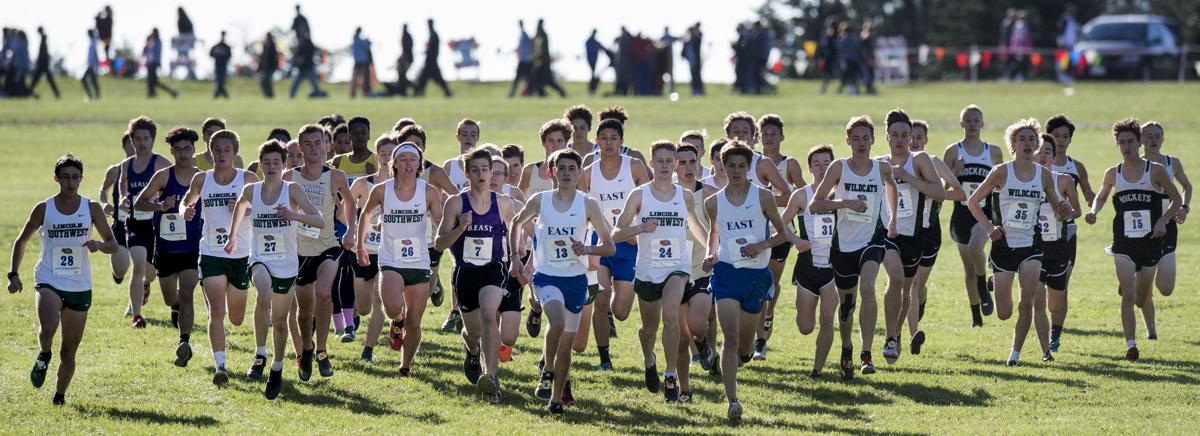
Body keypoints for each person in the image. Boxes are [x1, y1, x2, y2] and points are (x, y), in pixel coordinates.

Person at [8, 154, 119, 405]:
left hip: (79, 284)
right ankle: (44, 353)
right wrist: (13, 273)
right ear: (56, 179)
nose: (71, 183)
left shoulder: (91, 208)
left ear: (82, 178)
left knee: (69, 351)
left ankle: (59, 397)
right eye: (66, 177)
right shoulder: (43, 208)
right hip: (49, 277)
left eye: (75, 177)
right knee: (48, 326)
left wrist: (99, 245)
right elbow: (21, 241)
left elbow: (113, 244)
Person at [509, 149, 614, 414]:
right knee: (556, 322)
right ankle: (547, 368)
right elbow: (516, 224)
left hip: (576, 280)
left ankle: (555, 399)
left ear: (580, 173)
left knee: (567, 347)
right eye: (561, 168)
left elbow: (609, 246)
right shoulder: (540, 200)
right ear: (552, 172)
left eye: (572, 168)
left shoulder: (588, 204)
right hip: (546, 277)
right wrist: (515, 258)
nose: (567, 173)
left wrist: (587, 249)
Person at [225, 139, 324, 399]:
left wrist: (294, 215)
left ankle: (277, 366)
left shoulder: (292, 190)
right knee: (263, 292)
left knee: (280, 322)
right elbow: (240, 207)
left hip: (287, 264)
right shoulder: (251, 190)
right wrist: (232, 236)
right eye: (266, 162)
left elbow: (319, 220)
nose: (271, 167)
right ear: (260, 165)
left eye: (276, 162)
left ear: (284, 165)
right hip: (260, 258)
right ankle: (260, 354)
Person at [967, 119, 1071, 365]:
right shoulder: (1001, 172)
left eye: (1031, 139)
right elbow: (973, 202)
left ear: (1037, 145)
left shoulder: (1044, 175)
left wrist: (1064, 208)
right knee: (1004, 313)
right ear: (1013, 144)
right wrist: (989, 228)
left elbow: (1057, 208)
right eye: (1022, 139)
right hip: (1003, 246)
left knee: (1027, 302)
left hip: (1031, 247)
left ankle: (1014, 355)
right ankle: (995, 282)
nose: (1027, 143)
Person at [703, 141, 791, 423]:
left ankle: (747, 350)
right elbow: (714, 234)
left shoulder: (763, 196)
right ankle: (732, 401)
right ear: (722, 166)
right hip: (727, 273)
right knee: (729, 337)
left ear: (749, 167)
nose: (736, 170)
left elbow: (783, 233)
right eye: (731, 166)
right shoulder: (713, 202)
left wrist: (761, 245)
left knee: (743, 346)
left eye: (742, 166)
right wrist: (710, 255)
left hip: (756, 275)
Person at [611, 141, 705, 402]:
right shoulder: (639, 195)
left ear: (675, 164)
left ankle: (671, 374)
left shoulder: (684, 196)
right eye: (659, 161)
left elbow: (695, 226)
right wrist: (640, 228)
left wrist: (711, 249)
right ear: (651, 163)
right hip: (648, 270)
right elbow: (616, 233)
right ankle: (649, 360)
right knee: (649, 329)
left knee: (672, 316)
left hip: (677, 267)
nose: (664, 165)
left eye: (669, 161)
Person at [809, 116, 898, 379]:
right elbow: (816, 204)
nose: (861, 143)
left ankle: (866, 353)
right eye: (855, 138)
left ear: (873, 140)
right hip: (843, 244)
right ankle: (847, 347)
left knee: (868, 285)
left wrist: (893, 218)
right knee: (847, 306)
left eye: (865, 138)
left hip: (872, 239)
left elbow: (892, 187)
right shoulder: (839, 167)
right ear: (847, 141)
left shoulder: (882, 169)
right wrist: (846, 203)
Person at [1085, 119, 1181, 361]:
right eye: (1122, 142)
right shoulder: (1113, 173)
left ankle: (1138, 286)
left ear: (1139, 142)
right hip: (1123, 243)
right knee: (1128, 294)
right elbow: (1101, 197)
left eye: (1130, 141)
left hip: (1150, 243)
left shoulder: (1155, 170)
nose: (1126, 146)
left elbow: (1176, 199)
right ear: (1117, 145)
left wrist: (1163, 221)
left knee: (1139, 298)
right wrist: (1094, 212)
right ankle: (1131, 344)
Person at [434, 147, 517, 401]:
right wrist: (460, 228)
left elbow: (515, 230)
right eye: (475, 170)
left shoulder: (503, 203)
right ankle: (472, 350)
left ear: (492, 172)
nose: (481, 174)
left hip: (493, 269)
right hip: (465, 272)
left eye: (485, 169)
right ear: (467, 174)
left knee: (490, 315)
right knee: (473, 332)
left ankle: (491, 377)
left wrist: (517, 255)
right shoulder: (456, 203)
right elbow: (439, 243)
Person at [356, 143, 443, 377]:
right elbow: (365, 215)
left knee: (415, 321)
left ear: (419, 164)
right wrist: (360, 245)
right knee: (393, 305)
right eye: (403, 159)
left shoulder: (428, 191)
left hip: (419, 261)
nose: (408, 164)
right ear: (394, 163)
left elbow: (440, 222)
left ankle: (405, 366)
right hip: (390, 259)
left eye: (413, 159)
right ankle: (397, 319)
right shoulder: (382, 190)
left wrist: (450, 230)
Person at [180, 129, 258, 385]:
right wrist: (185, 211)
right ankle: (221, 367)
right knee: (216, 311)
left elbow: (262, 208)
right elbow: (186, 201)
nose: (222, 154)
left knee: (236, 318)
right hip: (211, 252)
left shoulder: (247, 179)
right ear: (210, 152)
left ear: (235, 153)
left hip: (241, 254)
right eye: (217, 149)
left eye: (227, 150)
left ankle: (227, 339)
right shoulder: (202, 179)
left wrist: (245, 211)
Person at [284, 124, 356, 380]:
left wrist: (351, 231)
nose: (314, 148)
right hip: (299, 250)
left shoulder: (335, 176)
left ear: (326, 146)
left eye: (318, 143)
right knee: (304, 313)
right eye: (308, 144)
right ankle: (307, 349)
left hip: (328, 245)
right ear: (300, 148)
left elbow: (350, 203)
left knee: (324, 293)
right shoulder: (289, 177)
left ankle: (322, 351)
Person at [580, 118, 652, 371]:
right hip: (599, 243)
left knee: (621, 312)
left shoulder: (634, 166)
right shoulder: (588, 170)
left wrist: (635, 229)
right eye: (604, 138)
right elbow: (581, 207)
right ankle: (604, 358)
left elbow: (649, 200)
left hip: (628, 244)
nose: (608, 143)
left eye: (613, 138)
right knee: (600, 300)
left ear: (621, 141)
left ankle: (612, 306)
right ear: (596, 141)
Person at [876, 109, 943, 364]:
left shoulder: (919, 160)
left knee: (906, 291)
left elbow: (939, 193)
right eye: (895, 134)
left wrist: (908, 178)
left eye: (905, 134)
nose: (900, 139)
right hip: (887, 234)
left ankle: (895, 333)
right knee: (894, 278)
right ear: (887, 136)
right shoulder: (879, 163)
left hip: (914, 237)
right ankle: (890, 338)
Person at [132, 126, 202, 367]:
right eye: (178, 149)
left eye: (187, 149)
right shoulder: (163, 176)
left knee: (188, 292)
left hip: (192, 246)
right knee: (171, 298)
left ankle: (184, 342)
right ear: (172, 151)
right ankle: (176, 307)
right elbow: (139, 203)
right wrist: (160, 206)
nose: (183, 153)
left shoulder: (202, 177)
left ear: (194, 150)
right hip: (165, 248)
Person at [902, 120, 966, 355]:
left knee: (918, 286)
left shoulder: (935, 163)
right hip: (904, 231)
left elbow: (960, 193)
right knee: (909, 284)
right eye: (911, 136)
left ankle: (921, 301)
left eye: (919, 137)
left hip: (930, 233)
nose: (914, 141)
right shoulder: (898, 164)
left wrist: (933, 193)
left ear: (926, 140)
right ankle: (912, 335)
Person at [752, 114, 806, 361]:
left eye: (774, 134)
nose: (769, 138)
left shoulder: (789, 164)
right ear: (758, 137)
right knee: (757, 283)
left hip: (782, 231)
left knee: (770, 283)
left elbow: (802, 194)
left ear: (782, 136)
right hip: (754, 230)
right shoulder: (751, 163)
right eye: (765, 134)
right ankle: (758, 341)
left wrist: (766, 201)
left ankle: (769, 313)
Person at [943, 105, 1003, 327]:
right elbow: (941, 188)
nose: (972, 124)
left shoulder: (993, 152)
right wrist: (955, 172)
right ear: (961, 124)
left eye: (976, 120)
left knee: (975, 248)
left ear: (982, 123)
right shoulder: (952, 151)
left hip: (983, 213)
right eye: (967, 120)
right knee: (969, 268)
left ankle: (982, 286)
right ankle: (976, 316)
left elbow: (1001, 183)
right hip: (960, 215)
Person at [780, 145, 836, 377]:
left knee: (828, 319)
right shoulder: (801, 195)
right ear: (810, 168)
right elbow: (781, 223)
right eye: (817, 164)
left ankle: (817, 369)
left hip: (834, 269)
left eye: (827, 164)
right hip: (807, 267)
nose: (822, 169)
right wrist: (795, 240)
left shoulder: (842, 194)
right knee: (805, 327)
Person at [671, 143, 719, 401]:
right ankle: (684, 388)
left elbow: (719, 230)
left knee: (697, 324)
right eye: (682, 163)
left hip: (702, 270)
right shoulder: (665, 195)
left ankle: (703, 345)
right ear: (674, 165)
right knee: (681, 337)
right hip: (674, 272)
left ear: (700, 163)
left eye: (692, 162)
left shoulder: (710, 195)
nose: (688, 167)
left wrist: (715, 253)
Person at [1044, 114, 1094, 351]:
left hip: (1066, 231)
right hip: (1038, 231)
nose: (1061, 140)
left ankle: (1055, 335)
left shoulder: (1076, 167)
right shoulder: (1040, 163)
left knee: (1061, 283)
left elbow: (1087, 195)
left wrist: (1094, 201)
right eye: (1056, 136)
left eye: (1065, 136)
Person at [518, 119, 572, 337]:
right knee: (535, 295)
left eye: (560, 141)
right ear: (543, 143)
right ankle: (536, 309)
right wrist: (522, 233)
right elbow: (519, 203)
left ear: (566, 144)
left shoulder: (572, 173)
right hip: (533, 240)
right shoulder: (530, 171)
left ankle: (557, 334)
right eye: (551, 141)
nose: (555, 145)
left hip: (562, 242)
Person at [1138, 121, 1190, 338]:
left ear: (1163, 139)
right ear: (1141, 140)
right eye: (1148, 136)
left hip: (1168, 227)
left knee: (1166, 289)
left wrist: (1184, 208)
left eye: (1157, 136)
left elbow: (1186, 186)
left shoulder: (1172, 162)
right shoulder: (1135, 164)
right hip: (1141, 231)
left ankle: (1142, 282)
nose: (1153, 140)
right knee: (1144, 289)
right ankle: (1151, 330)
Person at [348, 135, 397, 361]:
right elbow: (344, 209)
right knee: (365, 307)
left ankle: (368, 349)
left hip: (387, 253)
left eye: (391, 154)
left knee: (379, 302)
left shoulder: (403, 188)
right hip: (362, 250)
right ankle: (358, 314)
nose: (387, 158)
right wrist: (354, 228)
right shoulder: (362, 184)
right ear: (377, 157)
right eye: (383, 154)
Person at [1034, 133, 1081, 357]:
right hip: (1033, 246)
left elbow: (1077, 211)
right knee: (1037, 300)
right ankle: (1046, 350)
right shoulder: (1022, 179)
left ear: (1054, 156)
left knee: (1054, 303)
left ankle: (1056, 334)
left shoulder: (1063, 180)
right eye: (1039, 151)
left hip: (1059, 245)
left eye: (1048, 152)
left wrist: (1065, 212)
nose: (1043, 155)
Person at [120, 117, 169, 327]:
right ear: (131, 140)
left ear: (153, 140)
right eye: (137, 139)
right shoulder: (126, 165)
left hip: (156, 224)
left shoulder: (161, 163)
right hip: (135, 224)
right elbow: (124, 187)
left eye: (146, 138)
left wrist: (162, 202)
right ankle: (136, 315)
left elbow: (175, 183)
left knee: (150, 272)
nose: (142, 143)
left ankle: (146, 284)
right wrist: (123, 199)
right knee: (138, 266)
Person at [489, 155, 526, 363]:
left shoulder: (516, 205)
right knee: (488, 317)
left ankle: (500, 345)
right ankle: (483, 357)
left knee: (509, 336)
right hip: (482, 269)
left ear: (506, 178)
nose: (493, 178)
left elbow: (538, 235)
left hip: (510, 269)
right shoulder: (469, 201)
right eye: (489, 172)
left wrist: (527, 261)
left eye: (498, 174)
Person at [98, 133, 134, 288]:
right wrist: (104, 203)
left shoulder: (153, 169)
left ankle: (144, 285)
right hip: (121, 224)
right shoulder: (114, 171)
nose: (135, 146)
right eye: (130, 143)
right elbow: (103, 191)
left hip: (145, 224)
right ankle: (118, 272)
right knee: (120, 270)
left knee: (146, 270)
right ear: (124, 147)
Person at [528, 19, 566, 97]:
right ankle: (541, 93)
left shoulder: (542, 35)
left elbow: (542, 50)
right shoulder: (540, 35)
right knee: (538, 79)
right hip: (542, 61)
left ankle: (561, 93)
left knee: (548, 80)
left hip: (544, 62)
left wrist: (538, 58)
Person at [416, 19, 452, 98]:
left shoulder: (433, 35)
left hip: (431, 61)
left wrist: (426, 51)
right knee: (424, 78)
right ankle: (419, 92)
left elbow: (432, 49)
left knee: (432, 78)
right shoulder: (432, 35)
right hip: (430, 61)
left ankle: (447, 92)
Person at [142, 29, 179, 99]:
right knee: (153, 81)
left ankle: (152, 93)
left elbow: (153, 54)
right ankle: (154, 93)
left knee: (151, 80)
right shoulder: (156, 43)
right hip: (152, 64)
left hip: (153, 64)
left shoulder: (156, 42)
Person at [289, 29, 325, 99]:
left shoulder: (308, 43)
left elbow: (312, 52)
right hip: (302, 68)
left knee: (314, 83)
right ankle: (291, 95)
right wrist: (298, 60)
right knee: (296, 82)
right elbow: (297, 55)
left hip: (308, 67)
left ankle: (317, 93)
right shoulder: (301, 44)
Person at [28, 27, 59, 99]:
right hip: (43, 63)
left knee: (37, 79)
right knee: (43, 79)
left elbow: (43, 52)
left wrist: (40, 61)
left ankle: (29, 91)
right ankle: (56, 94)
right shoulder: (43, 39)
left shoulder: (43, 38)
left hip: (43, 63)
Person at [509, 20, 534, 98]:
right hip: (526, 60)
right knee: (527, 79)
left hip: (525, 61)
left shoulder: (524, 35)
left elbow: (528, 45)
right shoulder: (523, 35)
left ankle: (515, 93)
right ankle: (524, 93)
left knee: (521, 79)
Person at [350, 28, 372, 98]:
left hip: (357, 62)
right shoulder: (360, 41)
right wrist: (368, 42)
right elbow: (367, 46)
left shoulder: (354, 40)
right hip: (363, 62)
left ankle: (353, 93)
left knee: (354, 79)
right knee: (364, 79)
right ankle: (365, 93)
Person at [682, 23, 703, 96]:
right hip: (691, 60)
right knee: (693, 75)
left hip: (696, 60)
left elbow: (699, 35)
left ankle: (698, 90)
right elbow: (684, 51)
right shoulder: (688, 40)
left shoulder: (696, 39)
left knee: (696, 75)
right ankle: (695, 90)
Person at [210, 31, 232, 99]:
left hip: (223, 66)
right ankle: (222, 94)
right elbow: (211, 54)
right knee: (219, 81)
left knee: (221, 81)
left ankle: (217, 94)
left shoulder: (227, 47)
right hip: (217, 66)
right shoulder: (216, 46)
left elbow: (229, 56)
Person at [82, 29, 101, 100]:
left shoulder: (94, 42)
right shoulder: (92, 41)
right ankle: (96, 95)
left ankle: (90, 95)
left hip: (92, 66)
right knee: (93, 80)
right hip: (91, 65)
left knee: (84, 79)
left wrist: (96, 65)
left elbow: (96, 54)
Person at [259, 32, 278, 98]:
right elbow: (262, 57)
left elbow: (275, 58)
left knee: (266, 81)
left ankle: (270, 95)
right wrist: (260, 67)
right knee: (264, 81)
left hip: (270, 67)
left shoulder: (273, 46)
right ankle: (268, 94)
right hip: (265, 67)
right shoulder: (265, 46)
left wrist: (275, 66)